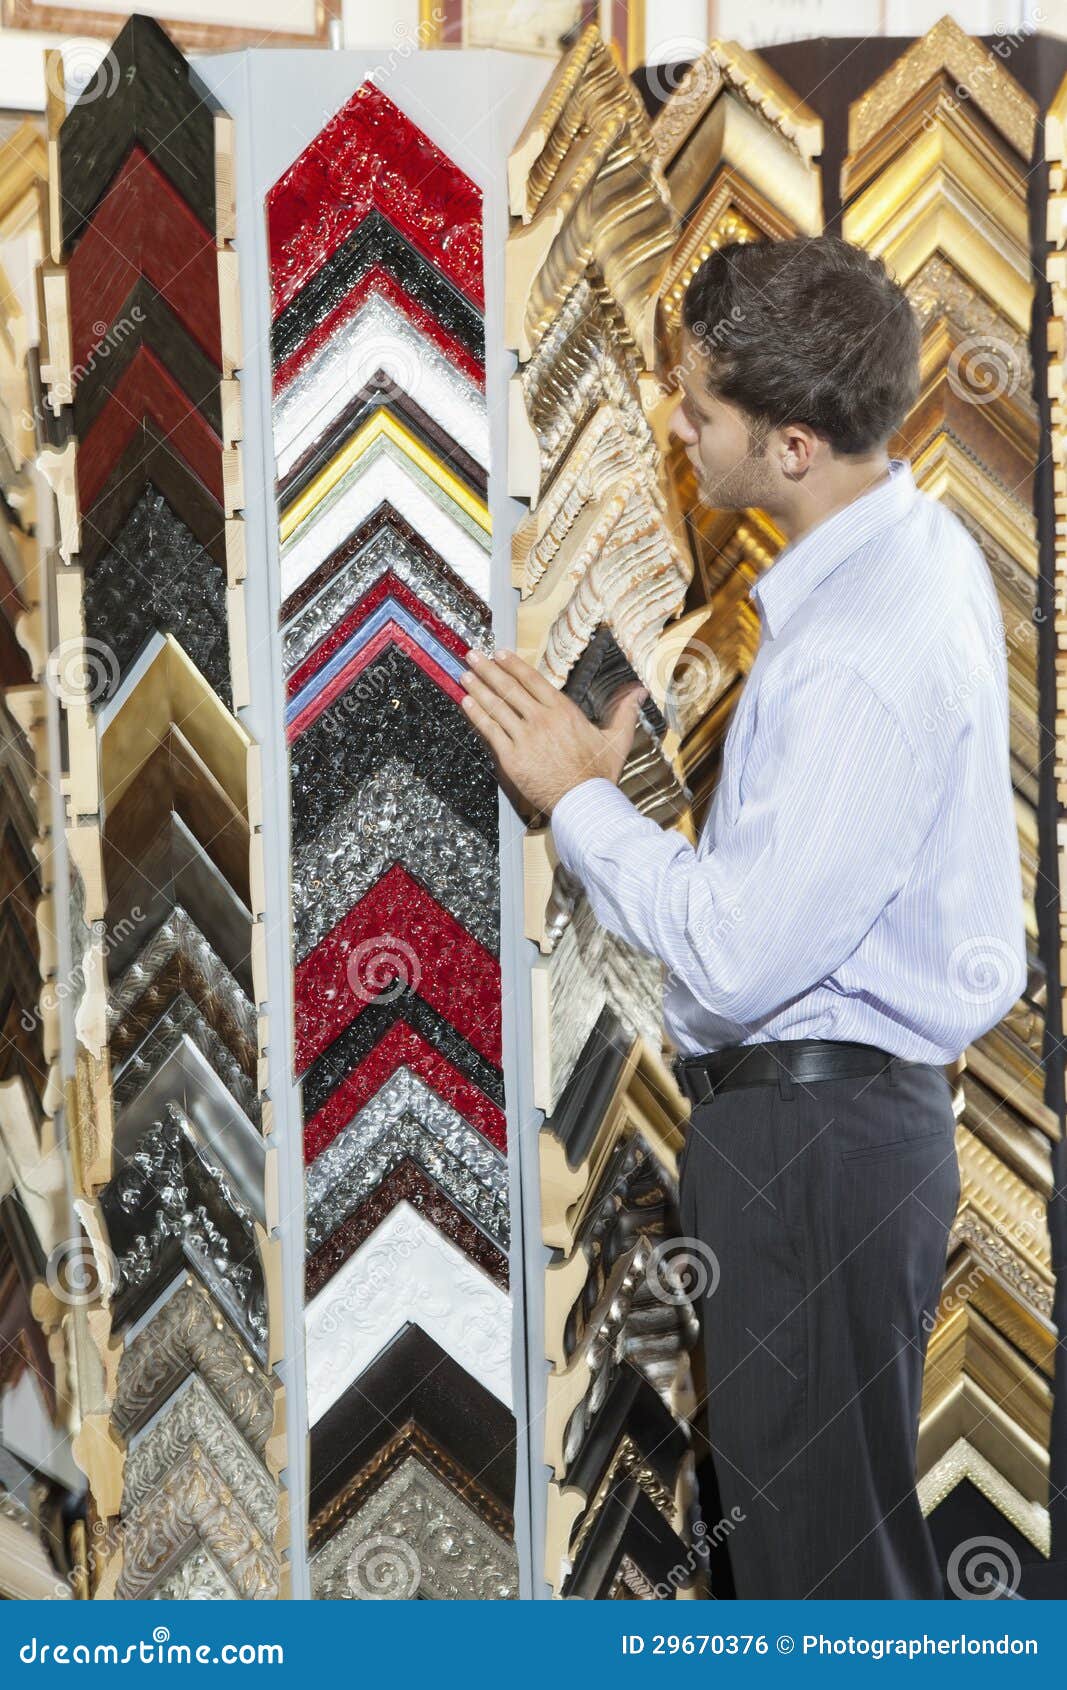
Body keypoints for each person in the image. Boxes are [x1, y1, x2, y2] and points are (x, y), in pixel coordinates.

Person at [459, 234, 1027, 1599]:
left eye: (698, 407)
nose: (673, 422)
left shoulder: (853, 654)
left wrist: (577, 803)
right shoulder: (911, 552)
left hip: (812, 1152)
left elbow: (733, 947)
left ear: (787, 448)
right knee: (822, 1559)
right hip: (834, 1137)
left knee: (819, 1582)